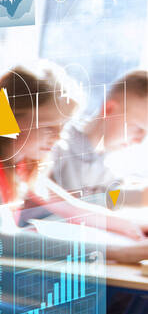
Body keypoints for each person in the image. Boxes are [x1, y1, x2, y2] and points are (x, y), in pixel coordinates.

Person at [0, 62, 148, 314]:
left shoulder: (22, 163)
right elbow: (4, 238)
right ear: (8, 120)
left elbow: (72, 208)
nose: (58, 139)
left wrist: (135, 227)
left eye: (63, 128)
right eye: (50, 128)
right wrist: (118, 253)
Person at [27, 69, 148, 239]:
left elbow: (109, 198)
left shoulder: (108, 165)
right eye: (138, 129)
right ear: (109, 109)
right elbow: (35, 185)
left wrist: (142, 196)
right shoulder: (57, 142)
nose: (140, 140)